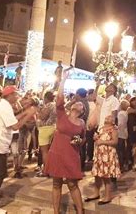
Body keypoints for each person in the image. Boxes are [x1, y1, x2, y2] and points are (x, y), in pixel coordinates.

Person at [44, 70, 86, 214]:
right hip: (57, 152)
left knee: (72, 184)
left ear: (82, 111)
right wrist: (63, 80)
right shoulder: (62, 115)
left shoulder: (81, 123)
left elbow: (83, 138)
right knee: (56, 183)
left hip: (71, 155)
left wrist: (79, 140)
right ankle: (56, 212)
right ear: (73, 106)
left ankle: (81, 211)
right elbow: (60, 98)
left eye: (81, 104)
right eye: (77, 102)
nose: (79, 103)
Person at [0, 86, 37, 213]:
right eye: (16, 94)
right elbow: (15, 126)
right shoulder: (4, 107)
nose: (18, 97)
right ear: (10, 95)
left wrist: (25, 112)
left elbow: (13, 119)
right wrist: (28, 114)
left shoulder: (3, 105)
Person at [86, 114, 121, 205]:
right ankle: (96, 193)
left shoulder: (113, 129)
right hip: (99, 154)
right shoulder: (101, 128)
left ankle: (107, 196)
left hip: (108, 154)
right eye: (107, 116)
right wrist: (96, 138)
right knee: (97, 175)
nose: (107, 117)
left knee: (106, 176)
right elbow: (98, 138)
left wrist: (102, 142)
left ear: (113, 121)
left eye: (110, 117)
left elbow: (115, 142)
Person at [36, 91, 57, 177]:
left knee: (44, 152)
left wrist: (38, 111)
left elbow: (42, 116)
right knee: (49, 151)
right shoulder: (55, 104)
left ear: (46, 98)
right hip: (53, 127)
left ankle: (46, 171)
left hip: (45, 128)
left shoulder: (49, 105)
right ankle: (50, 169)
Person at [127, 96, 136, 171]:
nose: (135, 102)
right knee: (132, 147)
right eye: (133, 101)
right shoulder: (129, 109)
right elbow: (135, 112)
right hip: (130, 130)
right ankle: (133, 163)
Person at [117, 100, 129, 171]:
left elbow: (120, 124)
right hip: (124, 133)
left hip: (120, 134)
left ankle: (121, 166)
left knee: (120, 151)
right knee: (122, 150)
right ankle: (124, 164)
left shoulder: (121, 113)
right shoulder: (125, 113)